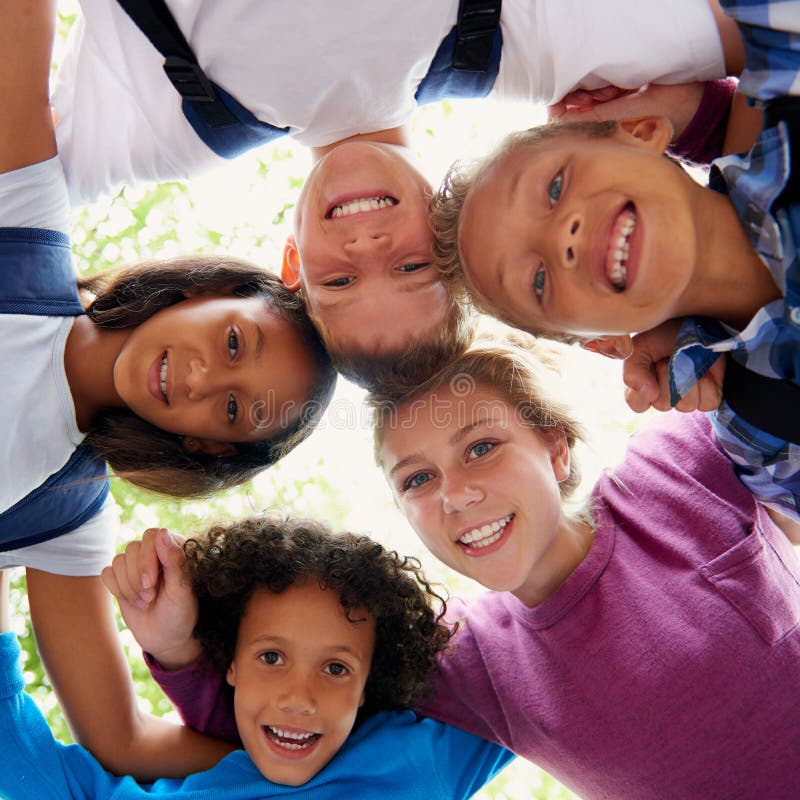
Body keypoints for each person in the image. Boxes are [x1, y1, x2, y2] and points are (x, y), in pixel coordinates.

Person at [131, 339, 800, 797]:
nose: (454, 495)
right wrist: (175, 645)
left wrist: (691, 339)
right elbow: (282, 709)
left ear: (555, 448)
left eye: (481, 447)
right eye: (418, 479)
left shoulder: (677, 463)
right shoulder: (467, 662)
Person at [49, 1, 745, 388]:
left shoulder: (167, 129)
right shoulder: (535, 44)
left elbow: (17, 189)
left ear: (292, 265)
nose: (367, 246)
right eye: (412, 266)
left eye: (339, 280)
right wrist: (682, 306)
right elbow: (757, 34)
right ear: (458, 239)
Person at [0, 0, 335, 780]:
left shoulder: (62, 514)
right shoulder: (25, 230)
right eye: (233, 342)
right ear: (209, 291)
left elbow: (122, 739)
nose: (201, 377)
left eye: (232, 410)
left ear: (205, 446)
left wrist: (344, 758)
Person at [427, 0, 800, 520]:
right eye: (539, 280)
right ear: (603, 341)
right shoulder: (762, 434)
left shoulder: (783, 78)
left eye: (555, 187)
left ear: (641, 130)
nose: (564, 239)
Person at [0, 518, 512, 799]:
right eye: (271, 656)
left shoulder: (414, 759)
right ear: (231, 665)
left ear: (366, 686)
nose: (298, 698)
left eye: (336, 668)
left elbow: (537, 638)